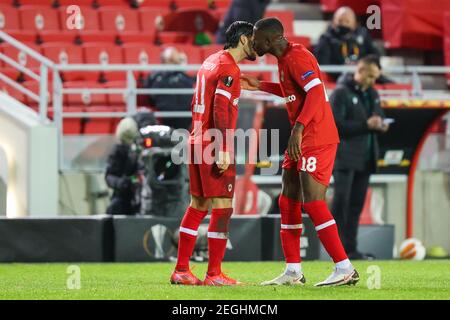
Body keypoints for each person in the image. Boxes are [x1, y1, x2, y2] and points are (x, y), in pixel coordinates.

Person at [241, 17, 359, 287]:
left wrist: (298, 129)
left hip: (315, 136)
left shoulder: (297, 57)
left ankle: (345, 267)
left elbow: (316, 94)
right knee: (287, 202)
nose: (252, 42)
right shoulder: (284, 59)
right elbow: (293, 92)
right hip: (302, 137)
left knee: (313, 202)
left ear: (270, 40)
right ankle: (293, 272)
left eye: (256, 39)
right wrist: (260, 86)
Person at [170, 21, 257, 286]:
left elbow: (198, 102)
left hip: (196, 140)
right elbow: (220, 108)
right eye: (253, 39)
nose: (257, 44)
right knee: (222, 208)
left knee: (197, 206)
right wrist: (224, 149)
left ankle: (182, 270)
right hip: (212, 144)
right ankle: (214, 274)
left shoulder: (211, 61)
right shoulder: (229, 67)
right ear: (243, 40)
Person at [330, 55, 389, 260]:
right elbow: (334, 126)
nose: (373, 81)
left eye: (376, 77)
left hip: (366, 159)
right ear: (361, 70)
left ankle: (351, 250)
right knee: (341, 205)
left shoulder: (372, 93)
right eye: (371, 76)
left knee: (356, 206)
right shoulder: (340, 93)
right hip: (345, 159)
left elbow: (378, 116)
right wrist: (366, 125)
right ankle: (335, 252)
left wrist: (381, 125)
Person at [144, 47, 195, 130]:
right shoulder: (156, 77)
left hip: (185, 116)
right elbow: (151, 96)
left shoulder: (182, 76)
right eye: (173, 60)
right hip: (167, 115)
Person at [315, 6, 379, 67]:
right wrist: (343, 66)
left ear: (354, 23)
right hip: (338, 75)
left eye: (347, 21)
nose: (343, 24)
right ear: (333, 21)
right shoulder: (326, 38)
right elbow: (323, 64)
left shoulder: (363, 35)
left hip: (362, 73)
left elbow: (374, 56)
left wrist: (360, 63)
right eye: (340, 21)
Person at [105, 117, 141, 215]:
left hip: (139, 198)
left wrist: (135, 180)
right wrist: (122, 183)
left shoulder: (139, 151)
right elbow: (109, 177)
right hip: (122, 199)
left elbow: (140, 175)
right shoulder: (117, 151)